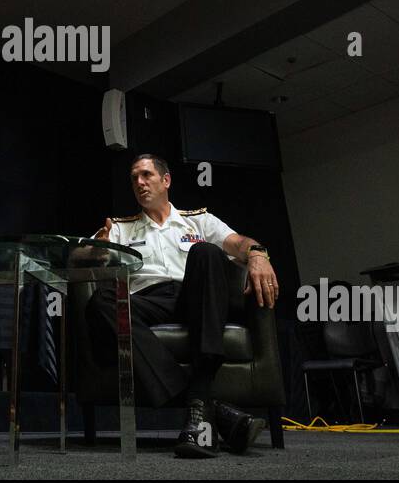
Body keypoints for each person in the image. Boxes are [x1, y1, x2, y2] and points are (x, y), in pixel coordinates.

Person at [86, 154, 279, 458]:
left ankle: (202, 407)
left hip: (196, 298)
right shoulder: (120, 229)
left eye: (147, 175)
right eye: (134, 177)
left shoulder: (198, 220)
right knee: (101, 301)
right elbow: (78, 259)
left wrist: (257, 254)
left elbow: (238, 242)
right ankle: (204, 404)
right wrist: (95, 251)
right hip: (148, 301)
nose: (139, 182)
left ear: (166, 181)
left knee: (205, 252)